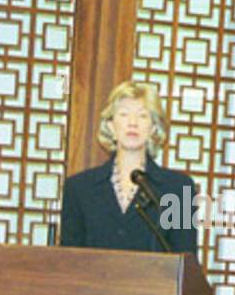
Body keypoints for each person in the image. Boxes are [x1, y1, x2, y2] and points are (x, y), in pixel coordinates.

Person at [59, 81, 199, 255]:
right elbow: (68, 261)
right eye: (124, 114)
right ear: (110, 125)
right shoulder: (79, 188)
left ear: (153, 128)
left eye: (142, 116)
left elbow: (186, 262)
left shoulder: (178, 189)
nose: (133, 123)